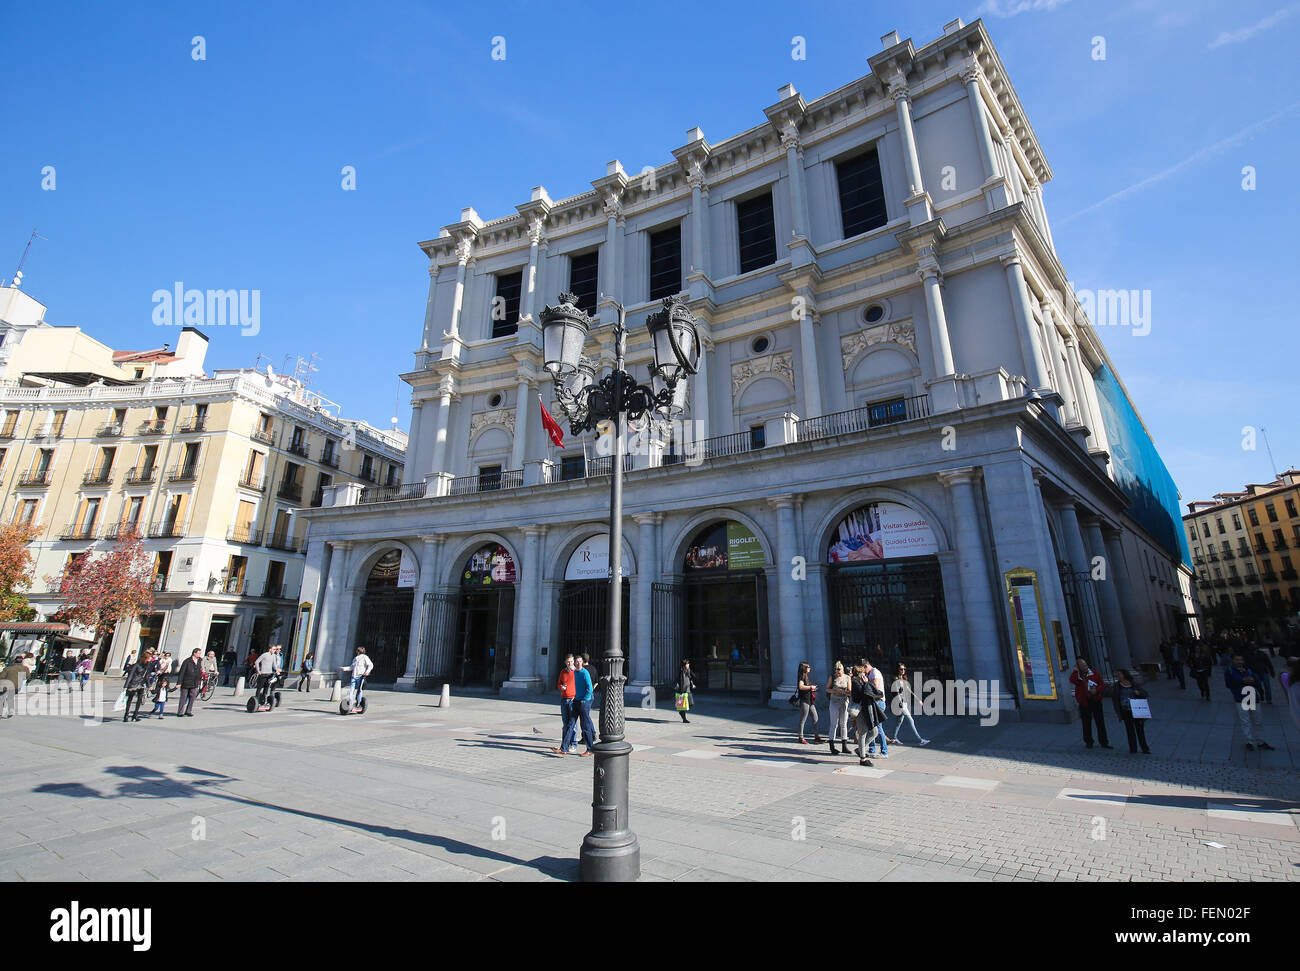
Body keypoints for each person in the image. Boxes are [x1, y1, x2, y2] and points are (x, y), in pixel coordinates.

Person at [1224, 654, 1274, 751]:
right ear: (1233, 661)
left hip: (1252, 696)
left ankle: (1260, 741)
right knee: (1245, 721)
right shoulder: (1230, 671)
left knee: (1258, 720)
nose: (1239, 662)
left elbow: (1258, 681)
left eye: (1241, 660)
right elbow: (1229, 684)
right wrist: (1242, 680)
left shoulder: (1248, 670)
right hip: (1240, 697)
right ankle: (1249, 741)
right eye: (1237, 660)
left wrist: (1253, 680)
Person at [1068, 658, 1112, 749]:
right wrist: (1075, 671)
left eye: (1085, 665)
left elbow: (1102, 684)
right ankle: (1088, 741)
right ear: (1078, 667)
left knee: (1100, 722)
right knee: (1086, 723)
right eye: (1082, 666)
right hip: (1084, 702)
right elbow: (1072, 680)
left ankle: (1104, 741)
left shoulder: (1094, 673)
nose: (1085, 667)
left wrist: (1096, 690)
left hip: (1095, 700)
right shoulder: (1078, 676)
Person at [887, 663, 930, 746]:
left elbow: (909, 691)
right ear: (897, 670)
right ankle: (920, 740)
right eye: (901, 669)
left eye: (904, 669)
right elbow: (896, 693)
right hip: (900, 703)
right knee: (911, 720)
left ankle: (894, 738)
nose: (903, 671)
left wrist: (918, 700)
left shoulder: (903, 678)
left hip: (904, 702)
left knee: (899, 721)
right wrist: (900, 705)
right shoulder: (895, 679)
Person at [1111, 669, 1151, 755]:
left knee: (1140, 730)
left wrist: (1138, 693)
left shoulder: (1133, 684)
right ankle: (1133, 748)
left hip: (1136, 710)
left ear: (1124, 675)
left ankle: (1145, 748)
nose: (1119, 676)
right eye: (1118, 675)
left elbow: (1145, 693)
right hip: (1125, 710)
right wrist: (1118, 712)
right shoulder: (1117, 686)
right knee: (1130, 730)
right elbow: (1115, 699)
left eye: (1120, 674)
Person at [851, 664, 884, 766]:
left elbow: (876, 692)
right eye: (863, 673)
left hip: (867, 710)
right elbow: (865, 694)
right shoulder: (856, 683)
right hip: (860, 711)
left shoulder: (860, 683)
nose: (865, 675)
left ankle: (861, 749)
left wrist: (866, 683)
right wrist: (866, 683)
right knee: (863, 733)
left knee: (875, 731)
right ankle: (862, 758)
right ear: (860, 674)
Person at [552, 654, 577, 756]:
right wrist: (561, 687)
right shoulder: (563, 671)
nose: (569, 663)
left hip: (573, 699)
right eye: (568, 662)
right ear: (565, 662)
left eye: (571, 661)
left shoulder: (577, 672)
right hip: (564, 699)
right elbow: (559, 683)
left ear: (574, 661)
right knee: (565, 723)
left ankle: (572, 744)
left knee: (573, 724)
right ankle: (565, 744)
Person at [825, 661, 852, 756]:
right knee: (834, 724)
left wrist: (843, 692)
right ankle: (832, 746)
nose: (838, 673)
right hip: (834, 702)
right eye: (837, 671)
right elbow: (827, 689)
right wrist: (834, 690)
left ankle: (844, 746)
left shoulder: (847, 678)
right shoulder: (832, 677)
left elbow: (850, 691)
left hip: (844, 702)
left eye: (839, 671)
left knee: (843, 723)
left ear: (843, 669)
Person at [575, 655, 599, 750]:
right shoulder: (593, 668)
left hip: (584, 696)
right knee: (586, 716)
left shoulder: (582, 670)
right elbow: (597, 681)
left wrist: (586, 694)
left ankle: (589, 737)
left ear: (582, 661)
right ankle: (591, 734)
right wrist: (592, 690)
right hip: (590, 695)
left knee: (584, 718)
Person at [795, 662, 822, 744]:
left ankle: (816, 737)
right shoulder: (802, 676)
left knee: (815, 717)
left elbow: (804, 687)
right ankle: (801, 737)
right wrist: (811, 687)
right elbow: (800, 686)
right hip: (804, 700)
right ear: (804, 668)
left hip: (810, 700)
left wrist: (812, 689)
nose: (810, 668)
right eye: (808, 667)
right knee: (803, 719)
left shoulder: (806, 676)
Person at [122, 651, 151, 723]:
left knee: (140, 699)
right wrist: (126, 686)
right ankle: (126, 715)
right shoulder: (136, 665)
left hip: (141, 684)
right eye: (149, 658)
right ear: (145, 658)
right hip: (134, 683)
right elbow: (130, 675)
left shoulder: (147, 665)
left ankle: (135, 715)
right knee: (130, 699)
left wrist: (149, 685)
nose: (150, 659)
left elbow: (146, 676)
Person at [175, 649, 203, 717]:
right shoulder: (187, 661)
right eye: (199, 653)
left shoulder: (199, 661)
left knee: (193, 696)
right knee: (183, 697)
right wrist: (179, 683)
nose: (199, 655)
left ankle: (188, 711)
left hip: (195, 682)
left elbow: (200, 670)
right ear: (194, 653)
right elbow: (182, 672)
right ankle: (180, 712)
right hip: (186, 681)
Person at [345, 646, 373, 710]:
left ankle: (358, 704)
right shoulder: (355, 658)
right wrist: (344, 668)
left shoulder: (365, 657)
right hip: (354, 676)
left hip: (361, 677)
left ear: (358, 651)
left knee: (359, 690)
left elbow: (370, 665)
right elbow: (351, 667)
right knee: (352, 690)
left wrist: (367, 671)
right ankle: (350, 702)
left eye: (357, 651)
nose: (356, 652)